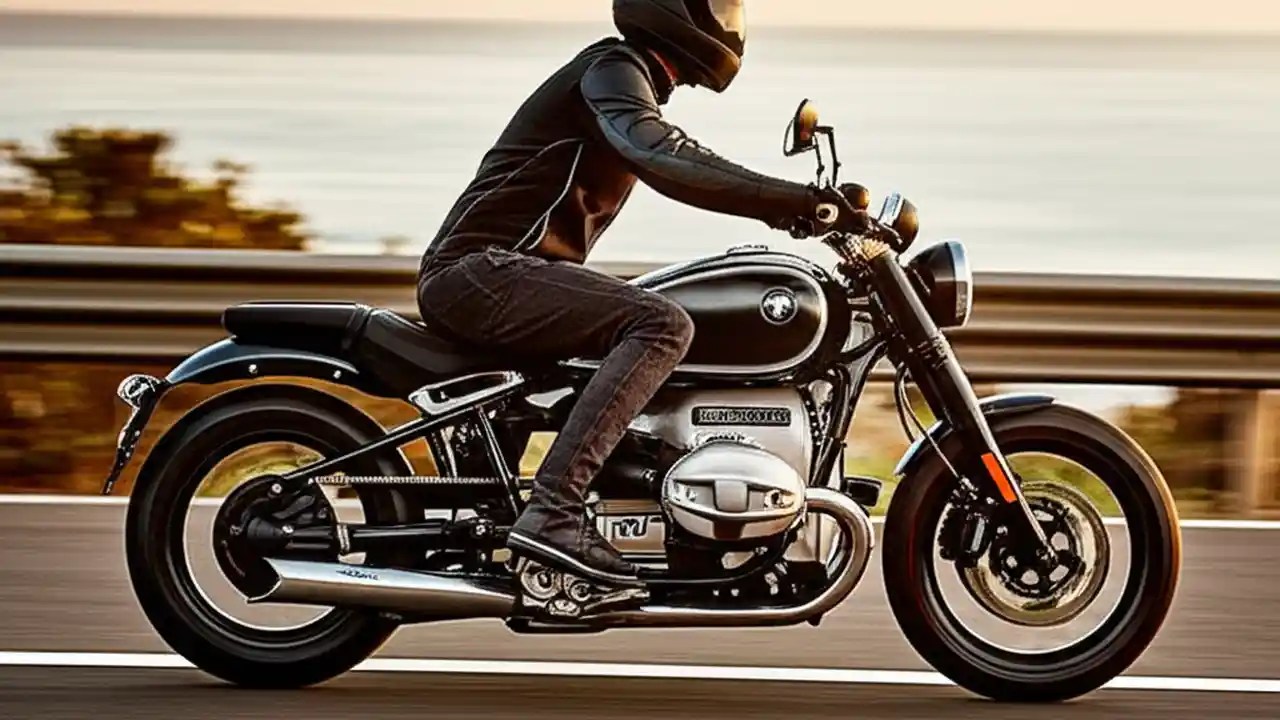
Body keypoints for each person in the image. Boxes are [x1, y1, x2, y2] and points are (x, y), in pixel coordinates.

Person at [417, 0, 868, 587]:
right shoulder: (613, 68)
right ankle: (554, 512)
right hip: (481, 271)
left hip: (500, 274)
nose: (727, 23)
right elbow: (662, 153)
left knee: (638, 316)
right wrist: (795, 201)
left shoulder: (625, 78)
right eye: (716, 10)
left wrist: (792, 209)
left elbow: (667, 155)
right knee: (662, 324)